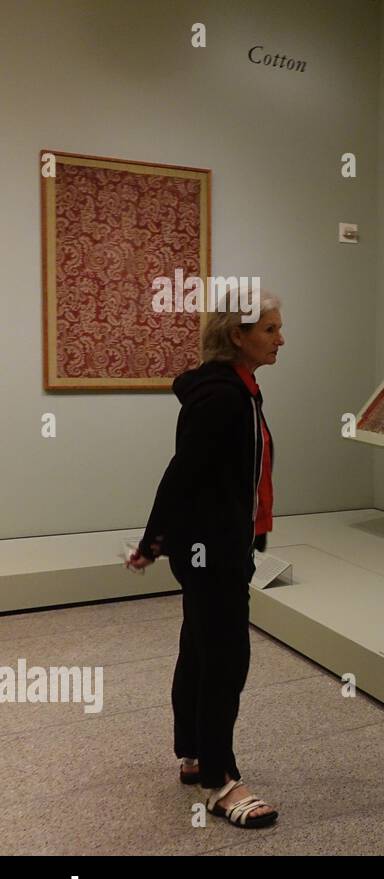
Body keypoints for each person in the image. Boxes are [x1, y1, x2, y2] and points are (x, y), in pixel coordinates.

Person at [126, 291, 284, 828]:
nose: (280, 338)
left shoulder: (236, 390)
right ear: (237, 336)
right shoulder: (224, 398)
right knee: (225, 659)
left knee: (199, 646)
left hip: (212, 542)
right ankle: (220, 781)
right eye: (269, 329)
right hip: (211, 548)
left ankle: (192, 754)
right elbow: (182, 473)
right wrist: (153, 541)